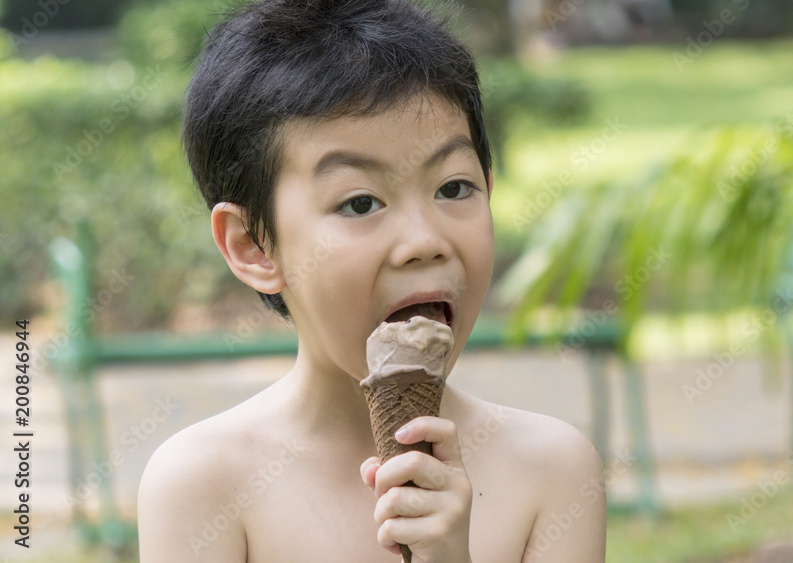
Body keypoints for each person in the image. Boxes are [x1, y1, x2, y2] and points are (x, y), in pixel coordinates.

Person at [136, 0, 607, 560]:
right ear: (253, 245)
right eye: (360, 202)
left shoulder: (552, 471)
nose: (424, 241)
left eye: (453, 188)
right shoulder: (202, 484)